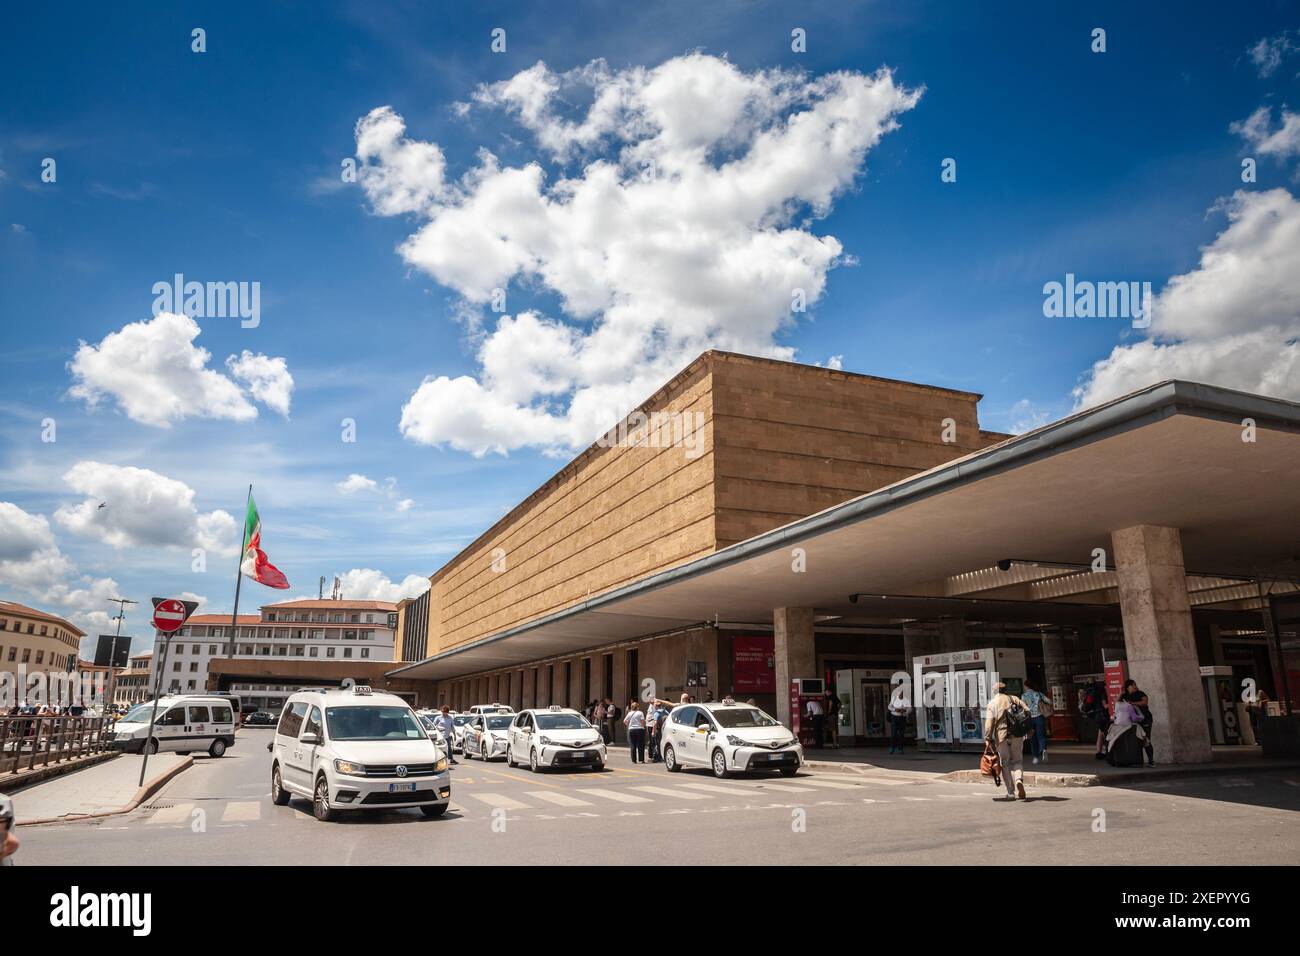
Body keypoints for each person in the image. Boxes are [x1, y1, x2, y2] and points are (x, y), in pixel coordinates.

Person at [984, 681, 1028, 800]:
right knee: (1018, 760)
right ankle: (1019, 779)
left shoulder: (992, 703)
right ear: (1005, 690)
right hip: (1017, 734)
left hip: (1001, 736)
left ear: (994, 691)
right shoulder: (1013, 698)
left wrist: (987, 738)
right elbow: (1027, 710)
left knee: (1005, 763)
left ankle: (1011, 792)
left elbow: (989, 724)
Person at [1121, 680, 1155, 767]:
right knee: (1136, 741)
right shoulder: (1125, 696)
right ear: (1128, 687)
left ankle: (1151, 761)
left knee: (1146, 740)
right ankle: (1138, 762)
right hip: (1134, 722)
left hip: (1146, 720)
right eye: (1132, 685)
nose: (1134, 686)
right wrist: (1120, 693)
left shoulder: (1140, 693)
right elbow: (1117, 703)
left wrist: (1133, 703)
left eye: (1134, 685)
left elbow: (1145, 701)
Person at [1021, 680, 1050, 765]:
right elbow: (1049, 701)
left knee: (1033, 738)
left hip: (1030, 719)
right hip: (1039, 717)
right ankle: (1044, 749)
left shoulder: (1024, 696)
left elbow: (1023, 707)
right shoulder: (1039, 694)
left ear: (1026, 686)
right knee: (1041, 735)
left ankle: (1035, 757)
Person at [887, 685, 911, 754]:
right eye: (900, 693)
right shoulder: (894, 699)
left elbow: (910, 708)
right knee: (894, 733)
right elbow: (889, 707)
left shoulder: (906, 700)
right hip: (894, 717)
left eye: (902, 693)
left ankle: (900, 748)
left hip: (902, 717)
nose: (901, 694)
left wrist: (905, 711)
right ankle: (892, 747)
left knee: (901, 734)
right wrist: (895, 709)